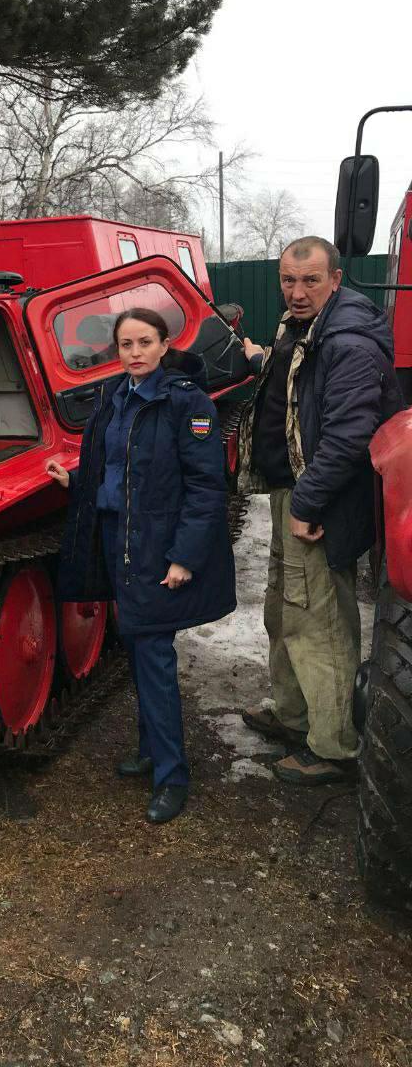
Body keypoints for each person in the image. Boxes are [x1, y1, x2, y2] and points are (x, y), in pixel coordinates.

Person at [49, 307, 236, 824]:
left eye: (144, 343)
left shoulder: (185, 402)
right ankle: (152, 751)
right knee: (134, 645)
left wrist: (184, 557)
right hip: (116, 535)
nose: (134, 353)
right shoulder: (115, 395)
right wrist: (73, 479)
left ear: (163, 345)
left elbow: (205, 486)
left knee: (154, 656)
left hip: (156, 542)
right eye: (126, 344)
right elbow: (111, 463)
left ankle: (172, 776)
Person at [237, 236, 402, 785]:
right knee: (284, 611)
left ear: (336, 279)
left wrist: (308, 503)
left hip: (320, 498)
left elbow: (350, 434)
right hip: (294, 488)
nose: (297, 291)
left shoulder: (348, 342)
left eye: (310, 280)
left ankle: (334, 747)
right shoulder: (300, 329)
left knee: (320, 621)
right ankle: (293, 715)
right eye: (288, 279)